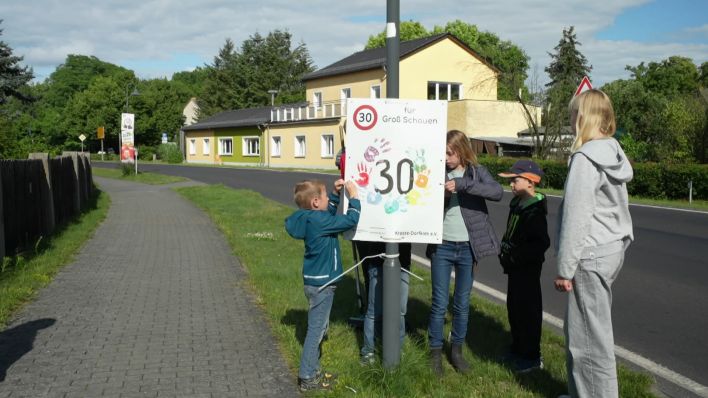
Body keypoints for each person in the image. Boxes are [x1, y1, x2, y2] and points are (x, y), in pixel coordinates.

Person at [555, 89, 633, 398]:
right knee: (584, 331)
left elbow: (577, 216)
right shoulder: (613, 150)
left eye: (574, 113)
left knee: (588, 341)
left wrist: (564, 267)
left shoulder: (586, 159)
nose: (571, 119)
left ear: (583, 117)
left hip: (589, 254)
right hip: (610, 248)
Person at [427, 129, 503, 375]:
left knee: (461, 303)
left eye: (450, 153)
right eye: (443, 153)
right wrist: (443, 193)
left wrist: (462, 185)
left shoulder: (476, 173)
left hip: (468, 248)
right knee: (439, 303)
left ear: (462, 151)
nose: (446, 158)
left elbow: (497, 192)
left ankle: (456, 352)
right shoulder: (437, 174)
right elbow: (423, 203)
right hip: (443, 245)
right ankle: (435, 352)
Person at [284, 179, 360, 392]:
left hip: (313, 282)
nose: (329, 199)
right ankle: (307, 377)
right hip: (323, 285)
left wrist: (335, 196)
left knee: (319, 328)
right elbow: (349, 220)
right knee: (316, 332)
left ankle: (314, 370)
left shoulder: (311, 218)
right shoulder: (319, 221)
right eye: (326, 196)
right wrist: (354, 198)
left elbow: (328, 215)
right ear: (316, 202)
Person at [497, 160, 550, 373]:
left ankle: (532, 356)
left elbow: (540, 243)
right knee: (515, 309)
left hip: (527, 269)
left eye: (515, 180)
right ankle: (518, 348)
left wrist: (517, 256)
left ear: (530, 182)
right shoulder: (517, 203)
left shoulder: (534, 210)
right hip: (515, 267)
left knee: (528, 311)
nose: (511, 184)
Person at [357, 241, 412, 365]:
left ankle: (398, 348)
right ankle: (368, 351)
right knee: (374, 311)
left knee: (400, 311)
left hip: (402, 263)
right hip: (377, 262)